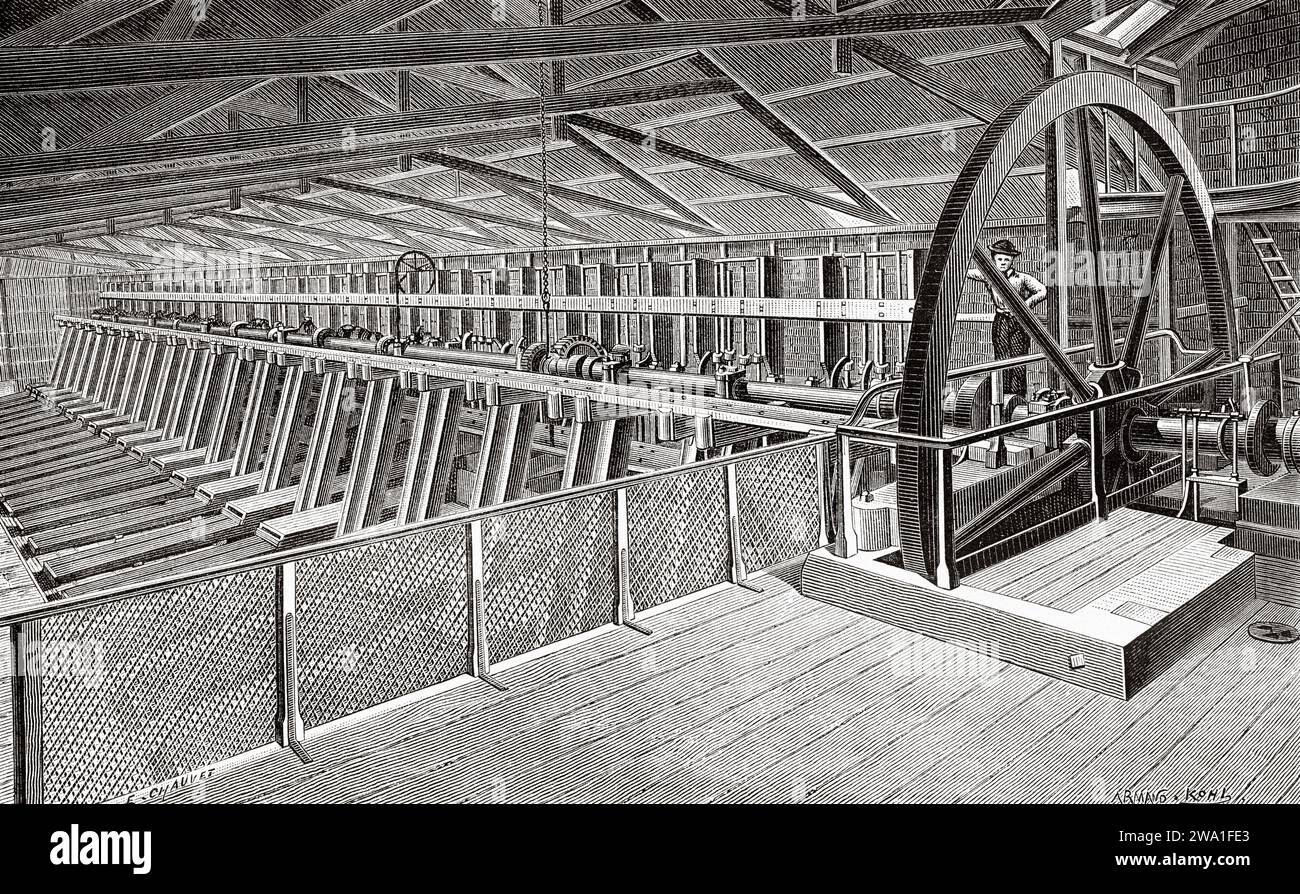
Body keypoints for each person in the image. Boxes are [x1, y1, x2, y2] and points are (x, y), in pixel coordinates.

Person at [966, 238, 1047, 400]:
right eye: (999, 259)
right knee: (1002, 360)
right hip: (1001, 321)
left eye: (1006, 259)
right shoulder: (988, 276)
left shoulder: (1022, 278)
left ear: (1012, 261)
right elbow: (965, 272)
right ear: (994, 260)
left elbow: (1042, 290)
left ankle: (1018, 400)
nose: (1003, 262)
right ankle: (1001, 399)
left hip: (1019, 322)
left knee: (1018, 361)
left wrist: (1026, 304)